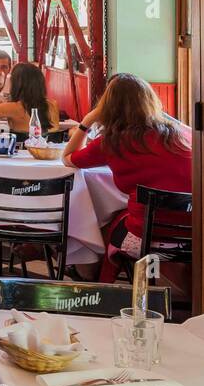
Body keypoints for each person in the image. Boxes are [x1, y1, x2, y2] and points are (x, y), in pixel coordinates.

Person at [62, 73, 192, 283]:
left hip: (148, 237)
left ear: (107, 106)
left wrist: (86, 122)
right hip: (192, 233)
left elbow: (67, 159)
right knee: (124, 214)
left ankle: (92, 279)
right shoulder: (179, 134)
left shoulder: (113, 141)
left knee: (106, 220)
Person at [0, 62, 60, 134]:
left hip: (23, 153)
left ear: (17, 85)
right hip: (50, 153)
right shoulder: (53, 104)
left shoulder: (14, 107)